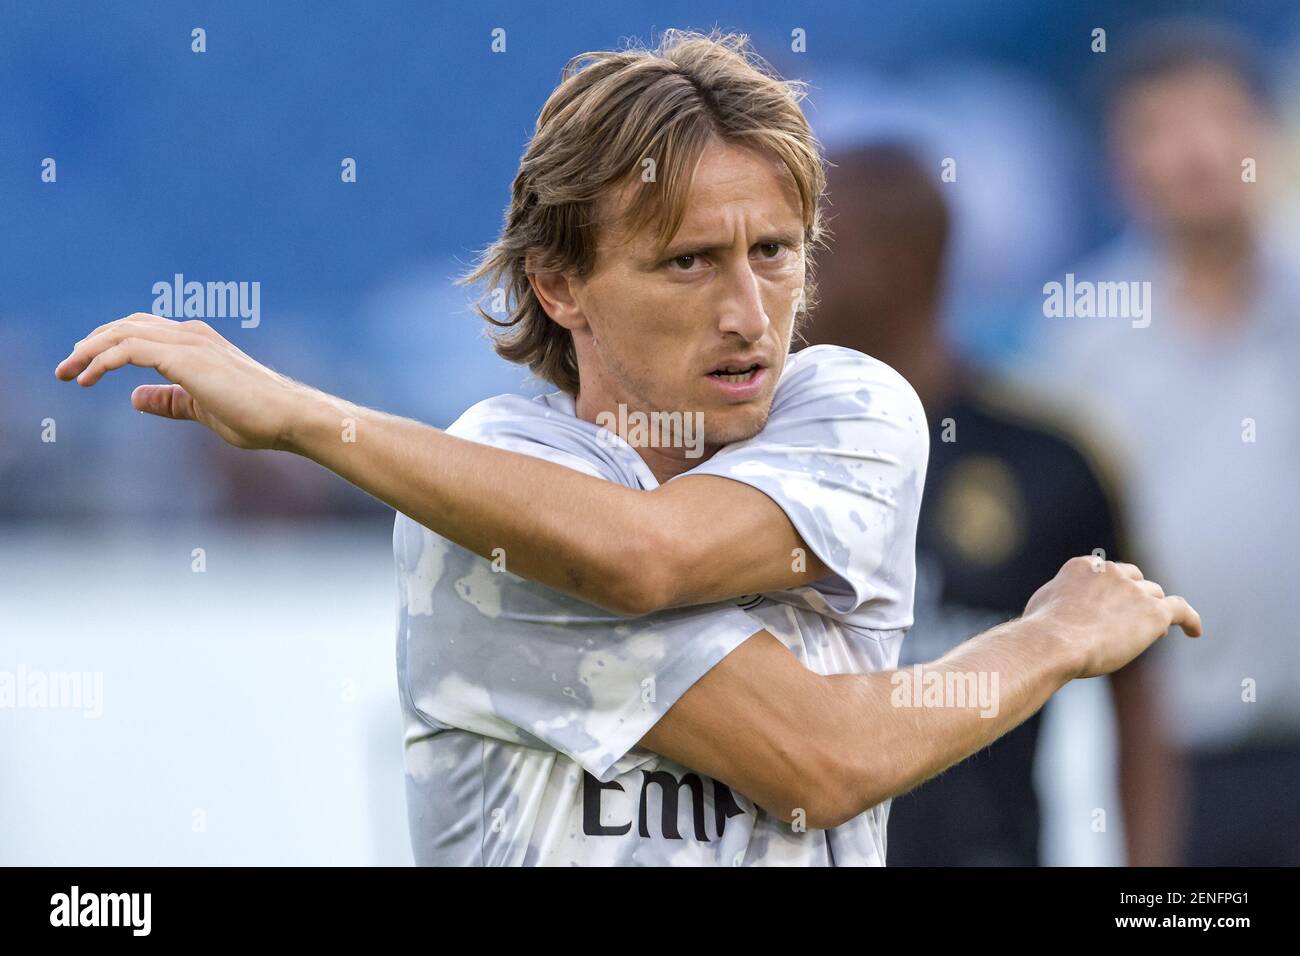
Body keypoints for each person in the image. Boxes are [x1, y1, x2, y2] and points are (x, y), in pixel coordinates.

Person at [54, 30, 1200, 866]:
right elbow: (815, 757)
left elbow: (650, 549)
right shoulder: (485, 496)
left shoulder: (851, 407)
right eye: (689, 262)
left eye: (777, 252)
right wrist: (1050, 637)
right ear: (558, 284)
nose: (751, 310)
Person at [807, 143, 1176, 865]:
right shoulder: (751, 453)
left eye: (809, 252)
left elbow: (1139, 699)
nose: (782, 283)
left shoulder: (1053, 456)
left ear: (902, 266)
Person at [1023, 21, 1300, 865]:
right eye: (1160, 128)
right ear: (1120, 163)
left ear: (1266, 134)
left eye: (1218, 118)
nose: (1195, 152)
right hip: (1162, 766)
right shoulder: (1078, 344)